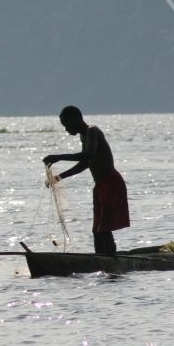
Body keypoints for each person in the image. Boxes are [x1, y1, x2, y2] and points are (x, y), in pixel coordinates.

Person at [42, 106, 129, 254]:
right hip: (100, 186)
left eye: (67, 125)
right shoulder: (84, 136)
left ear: (76, 119)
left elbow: (88, 155)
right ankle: (100, 259)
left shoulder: (92, 131)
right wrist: (58, 177)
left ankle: (111, 261)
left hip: (111, 183)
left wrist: (58, 156)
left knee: (104, 228)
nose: (66, 129)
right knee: (97, 229)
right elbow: (84, 164)